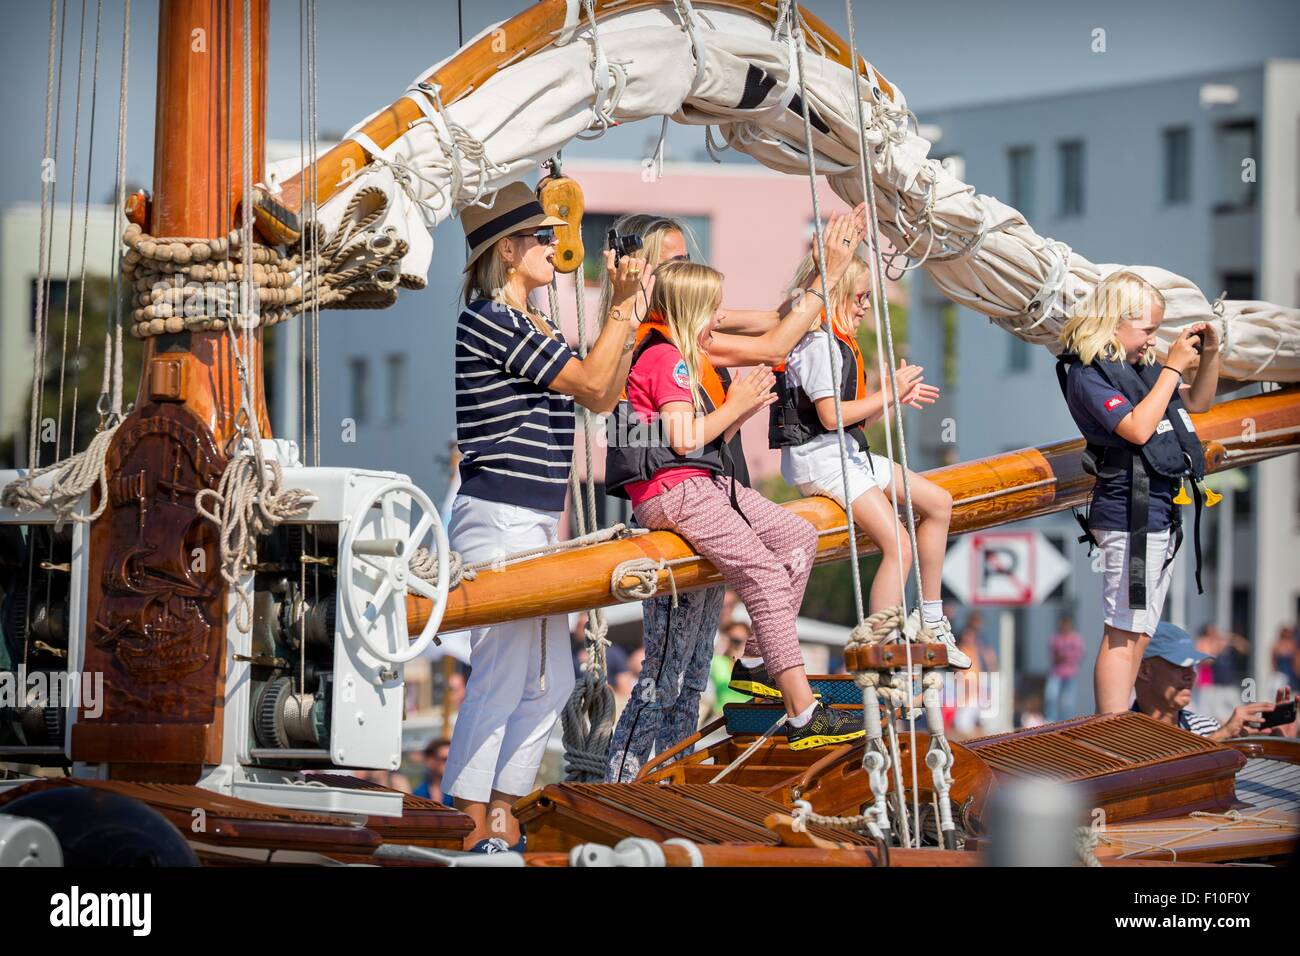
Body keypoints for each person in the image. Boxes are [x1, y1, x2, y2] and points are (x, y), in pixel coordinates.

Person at [602, 209, 867, 781]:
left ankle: (743, 680)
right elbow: (772, 340)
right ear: (644, 273)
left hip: (712, 489)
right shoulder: (653, 346)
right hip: (679, 494)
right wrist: (740, 402)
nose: (683, 268)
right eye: (671, 261)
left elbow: (777, 325)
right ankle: (623, 784)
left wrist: (826, 269)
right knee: (667, 672)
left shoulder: (689, 339)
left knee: (692, 670)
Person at [441, 182, 652, 853]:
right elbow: (594, 386)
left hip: (529, 520)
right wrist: (619, 307)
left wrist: (617, 320)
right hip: (498, 515)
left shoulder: (536, 326)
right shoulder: (489, 320)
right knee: (502, 673)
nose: (549, 248)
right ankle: (471, 829)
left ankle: (499, 823)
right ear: (507, 251)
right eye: (537, 238)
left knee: (553, 680)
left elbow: (601, 392)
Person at [769, 247, 966, 668]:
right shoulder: (817, 344)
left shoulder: (837, 343)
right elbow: (828, 415)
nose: (865, 307)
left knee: (938, 503)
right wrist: (887, 392)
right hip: (822, 460)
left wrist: (892, 400)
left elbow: (848, 420)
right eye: (859, 298)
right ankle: (877, 646)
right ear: (835, 295)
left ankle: (931, 618)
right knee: (899, 545)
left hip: (844, 452)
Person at [1057, 271, 1221, 713]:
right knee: (1123, 629)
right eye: (1147, 330)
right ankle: (1111, 728)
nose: (1152, 341)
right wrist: (1169, 368)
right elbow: (1137, 427)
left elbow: (1200, 402)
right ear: (1114, 323)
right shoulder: (1088, 375)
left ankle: (1122, 724)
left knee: (1142, 630)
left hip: (1159, 514)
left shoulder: (1141, 371)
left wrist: (1210, 356)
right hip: (1128, 513)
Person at [1133, 622, 1293, 740]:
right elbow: (1162, 777)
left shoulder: (1208, 726)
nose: (1191, 674)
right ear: (1144, 670)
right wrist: (1221, 736)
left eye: (1193, 665)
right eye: (1179, 665)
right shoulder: (1122, 735)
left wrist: (1277, 745)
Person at [1045, 614, 1085, 722]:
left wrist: (1065, 656)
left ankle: (1067, 722)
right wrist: (1058, 656)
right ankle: (1050, 721)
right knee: (1051, 698)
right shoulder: (1055, 638)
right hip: (1056, 673)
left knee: (1068, 702)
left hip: (1070, 674)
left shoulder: (1075, 638)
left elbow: (1079, 655)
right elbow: (1052, 655)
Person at [413, 738, 455, 806]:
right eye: (445, 759)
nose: (451, 765)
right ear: (430, 761)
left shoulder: (459, 795)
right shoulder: (418, 795)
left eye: (453, 760)